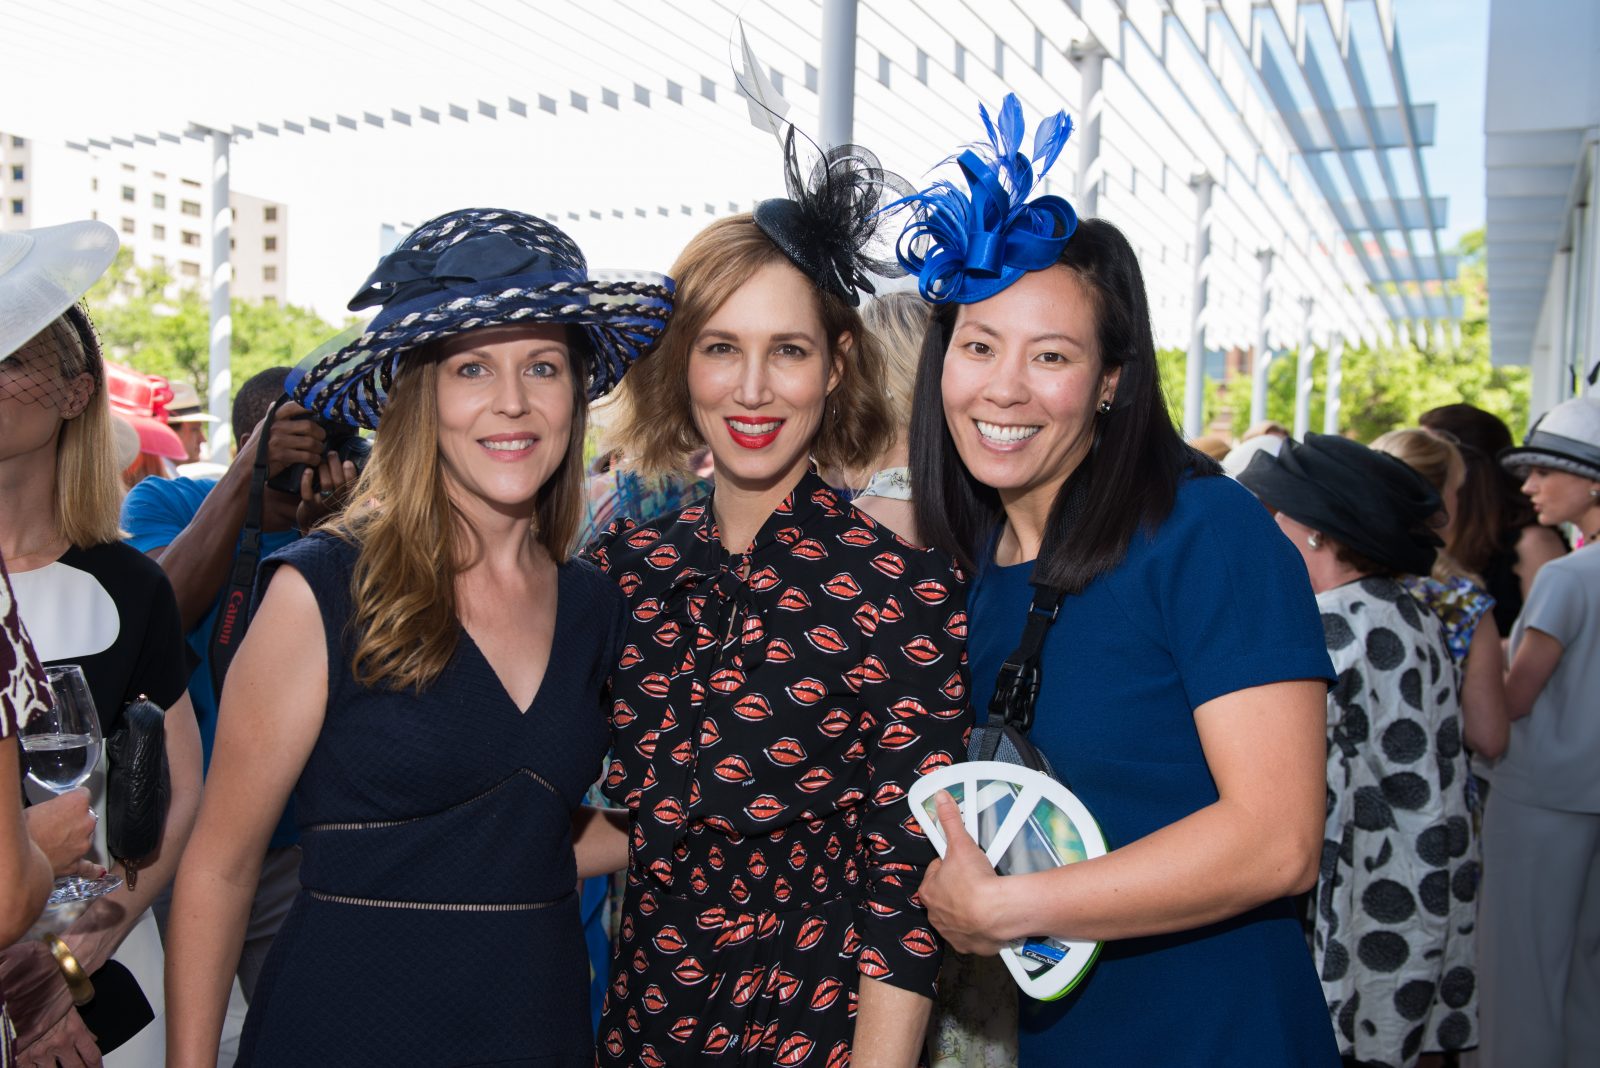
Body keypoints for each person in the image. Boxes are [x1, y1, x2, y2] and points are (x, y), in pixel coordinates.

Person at [165, 208, 673, 1067]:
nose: (512, 401)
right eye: (472, 367)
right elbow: (217, 870)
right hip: (342, 1034)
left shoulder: (595, 607)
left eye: (542, 366)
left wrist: (723, 812)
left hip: (536, 1028)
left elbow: (523, 829)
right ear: (419, 396)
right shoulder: (322, 588)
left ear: (574, 393)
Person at [893, 94, 1339, 1065]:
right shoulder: (977, 573)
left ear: (1109, 381)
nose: (1003, 387)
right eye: (978, 346)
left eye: (1049, 356)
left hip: (1223, 1038)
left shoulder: (1202, 532)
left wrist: (1009, 906)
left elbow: (1277, 838)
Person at [582, 130, 969, 1066]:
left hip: (816, 1039)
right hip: (641, 1030)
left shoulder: (904, 593)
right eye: (721, 348)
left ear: (836, 367)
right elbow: (620, 825)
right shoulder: (622, 575)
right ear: (683, 364)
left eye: (787, 350)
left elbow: (902, 896)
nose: (752, 388)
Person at [0, 222, 203, 1068]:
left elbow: (182, 793)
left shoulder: (129, 585)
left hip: (96, 973)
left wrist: (65, 965)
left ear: (77, 392)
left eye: (14, 356)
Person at [1239, 434, 1477, 1066]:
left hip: (1367, 896)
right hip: (1419, 879)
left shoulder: (1335, 625)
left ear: (1314, 531)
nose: (1266, 527)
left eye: (1275, 513)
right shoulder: (1403, 609)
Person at [1477, 396, 1600, 1067]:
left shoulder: (1566, 578)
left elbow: (1514, 699)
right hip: (1589, 797)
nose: (1528, 486)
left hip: (1538, 798)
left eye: (1546, 470)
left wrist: (1472, 649)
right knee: (1585, 973)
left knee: (1519, 975)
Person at [1371, 428, 1509, 766]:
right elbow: (1488, 736)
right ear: (1436, 499)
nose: (1459, 502)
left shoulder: (1329, 583)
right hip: (1434, 792)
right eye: (1456, 491)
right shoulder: (1460, 602)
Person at [1419, 403, 1566, 632]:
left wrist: (1476, 651)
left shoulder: (1533, 542)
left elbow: (1550, 639)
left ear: (1465, 470)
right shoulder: (1427, 537)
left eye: (1434, 463)